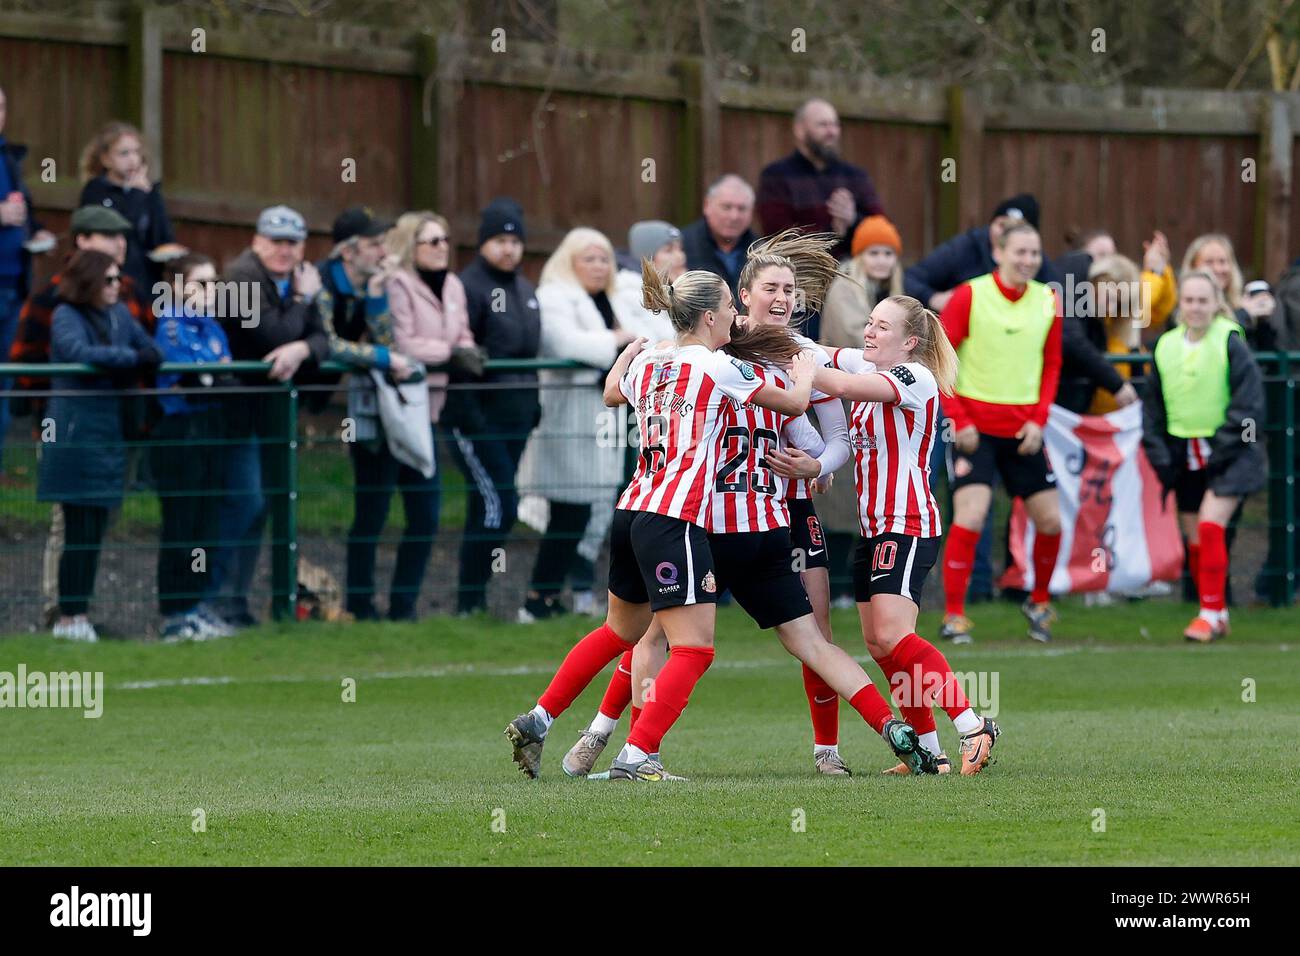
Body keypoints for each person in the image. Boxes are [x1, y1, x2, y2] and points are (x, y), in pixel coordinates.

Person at [505, 265, 936, 783]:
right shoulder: (724, 368)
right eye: (737, 303)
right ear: (716, 314)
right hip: (697, 520)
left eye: (786, 289)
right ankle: (636, 756)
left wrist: (627, 355)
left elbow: (612, 393)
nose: (742, 311)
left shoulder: (654, 363)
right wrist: (800, 372)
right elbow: (799, 405)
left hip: (637, 509)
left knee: (630, 634)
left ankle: (551, 719)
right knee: (718, 645)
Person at [561, 231, 860, 778]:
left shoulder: (800, 351)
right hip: (696, 511)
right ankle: (610, 736)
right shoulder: (715, 351)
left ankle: (828, 750)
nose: (784, 298)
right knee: (654, 634)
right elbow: (793, 395)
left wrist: (818, 465)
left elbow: (827, 432)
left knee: (813, 629)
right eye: (772, 287)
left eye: (791, 289)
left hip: (775, 508)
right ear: (740, 298)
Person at [814, 295, 1002, 774]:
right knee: (879, 645)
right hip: (873, 529)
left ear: (910, 342)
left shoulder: (911, 376)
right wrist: (758, 335)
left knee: (896, 635)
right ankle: (929, 751)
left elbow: (830, 377)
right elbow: (817, 353)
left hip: (908, 523)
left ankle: (973, 726)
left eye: (881, 326)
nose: (869, 331)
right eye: (869, 322)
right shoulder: (873, 363)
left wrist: (793, 363)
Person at [10, 206, 146, 627]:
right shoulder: (55, 295)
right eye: (109, 236)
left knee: (98, 517)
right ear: (83, 241)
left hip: (116, 423)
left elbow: (147, 348)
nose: (120, 244)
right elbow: (29, 361)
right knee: (66, 522)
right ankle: (59, 611)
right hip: (68, 425)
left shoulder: (126, 292)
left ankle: (78, 610)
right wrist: (46, 417)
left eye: (123, 237)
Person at [938, 222, 1064, 644]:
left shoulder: (1049, 300)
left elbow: (1051, 365)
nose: (1027, 260)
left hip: (1024, 431)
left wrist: (1039, 420)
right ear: (999, 253)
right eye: (1020, 252)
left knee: (1050, 521)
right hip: (974, 429)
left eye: (1034, 253)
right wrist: (958, 418)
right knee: (971, 515)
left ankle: (1039, 602)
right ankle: (954, 614)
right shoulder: (969, 295)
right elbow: (942, 359)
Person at [318, 207, 444, 621]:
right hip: (353, 411)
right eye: (374, 244)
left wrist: (376, 292)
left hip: (394, 411)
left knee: (424, 511)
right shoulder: (321, 282)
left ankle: (403, 607)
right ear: (348, 251)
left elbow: (384, 332)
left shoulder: (375, 283)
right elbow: (330, 343)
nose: (382, 251)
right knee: (370, 512)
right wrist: (382, 356)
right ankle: (360, 604)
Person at [210, 204, 328, 627]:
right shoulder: (242, 278)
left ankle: (234, 606)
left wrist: (301, 349)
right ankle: (212, 604)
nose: (283, 250)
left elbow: (321, 338)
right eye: (275, 241)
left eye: (292, 242)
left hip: (264, 414)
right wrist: (302, 300)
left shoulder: (292, 282)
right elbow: (269, 335)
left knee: (257, 507)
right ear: (257, 241)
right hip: (230, 412)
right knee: (242, 503)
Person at [37, 250, 162, 642]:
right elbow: (80, 354)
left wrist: (136, 357)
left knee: (94, 529)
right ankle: (67, 615)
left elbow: (152, 349)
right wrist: (130, 358)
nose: (116, 288)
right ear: (89, 281)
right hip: (75, 433)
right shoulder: (65, 316)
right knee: (76, 528)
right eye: (108, 281)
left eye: (118, 280)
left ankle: (81, 612)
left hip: (109, 431)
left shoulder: (120, 314)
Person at [517, 228, 640, 622]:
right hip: (570, 415)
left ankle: (561, 597)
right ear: (569, 260)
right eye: (589, 258)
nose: (598, 266)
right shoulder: (554, 295)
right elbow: (563, 344)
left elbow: (648, 338)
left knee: (599, 505)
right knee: (569, 507)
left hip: (610, 417)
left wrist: (621, 342)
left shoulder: (616, 296)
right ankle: (538, 598)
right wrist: (615, 342)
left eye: (604, 258)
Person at [1142, 271, 1266, 641]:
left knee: (1212, 526)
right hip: (1184, 455)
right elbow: (1152, 410)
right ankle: (1217, 611)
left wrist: (1226, 445)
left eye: (1203, 301)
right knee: (1195, 537)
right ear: (1181, 304)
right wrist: (1162, 456)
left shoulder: (1230, 341)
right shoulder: (1165, 346)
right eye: (1189, 301)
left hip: (1229, 454)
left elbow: (1250, 405)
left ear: (1217, 304)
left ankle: (1209, 613)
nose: (1195, 308)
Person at [450, 197, 541, 615]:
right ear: (483, 242)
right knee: (500, 505)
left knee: (486, 505)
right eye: (499, 240)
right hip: (476, 418)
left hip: (518, 418)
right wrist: (471, 414)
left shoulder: (525, 288)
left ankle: (474, 604)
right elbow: (462, 354)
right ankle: (468, 600)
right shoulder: (468, 287)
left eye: (515, 240)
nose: (509, 249)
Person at [819, 215, 905, 604]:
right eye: (874, 251)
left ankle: (862, 587)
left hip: (874, 405)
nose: (883, 260)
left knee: (863, 496)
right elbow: (857, 339)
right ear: (859, 254)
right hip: (838, 401)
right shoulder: (844, 288)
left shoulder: (891, 293)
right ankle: (836, 586)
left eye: (889, 253)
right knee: (836, 496)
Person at [152, 253, 236, 640]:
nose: (209, 291)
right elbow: (195, 378)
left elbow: (222, 378)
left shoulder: (212, 328)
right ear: (176, 286)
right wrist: (210, 379)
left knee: (206, 521)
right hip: (180, 431)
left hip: (211, 426)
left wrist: (211, 379)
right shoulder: (170, 327)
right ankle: (174, 612)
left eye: (213, 283)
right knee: (181, 523)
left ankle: (196, 604)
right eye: (199, 284)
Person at [0, 83, 57, 478]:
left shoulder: (7, 156)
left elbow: (20, 210)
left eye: (1, 106)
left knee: (5, 380)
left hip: (13, 284)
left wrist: (34, 232)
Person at [756, 98, 885, 261]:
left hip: (854, 274)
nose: (832, 132)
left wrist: (853, 220)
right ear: (800, 130)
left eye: (835, 125)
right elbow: (779, 239)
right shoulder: (776, 176)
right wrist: (833, 232)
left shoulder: (855, 176)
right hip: (800, 275)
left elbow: (881, 231)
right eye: (823, 125)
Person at [77, 121, 186, 292]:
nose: (133, 159)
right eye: (124, 153)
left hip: (148, 281)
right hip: (110, 279)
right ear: (106, 159)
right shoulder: (95, 191)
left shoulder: (147, 192)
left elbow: (163, 238)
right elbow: (121, 228)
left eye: (137, 152)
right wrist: (136, 195)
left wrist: (151, 198)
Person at [679, 174, 759, 301]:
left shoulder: (763, 251)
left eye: (742, 208)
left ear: (751, 212)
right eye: (726, 207)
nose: (734, 216)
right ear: (706, 206)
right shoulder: (680, 247)